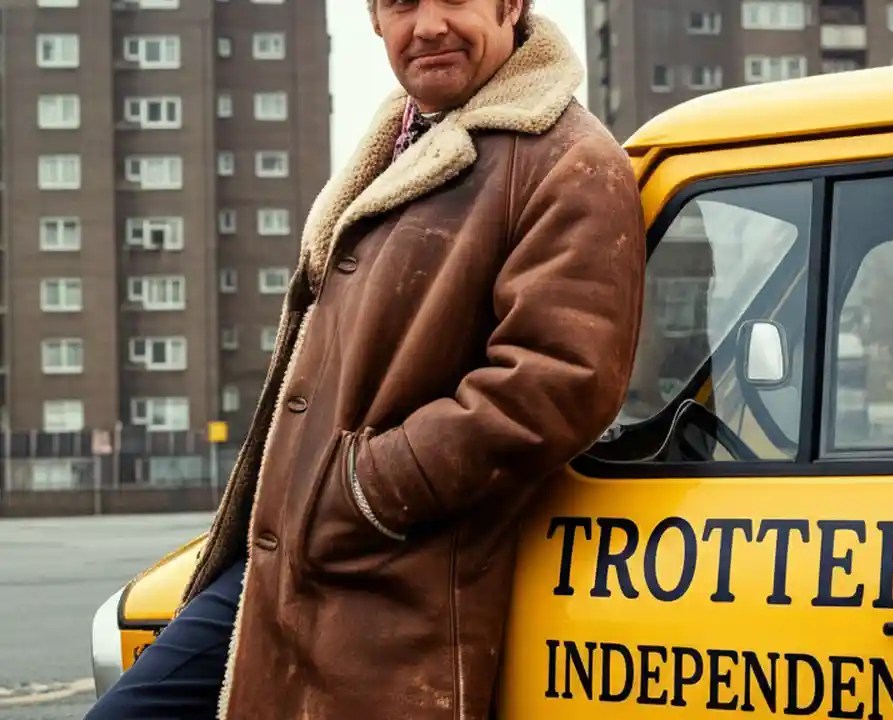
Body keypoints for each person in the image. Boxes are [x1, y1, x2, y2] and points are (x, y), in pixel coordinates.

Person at [85, 1, 646, 718]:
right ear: (376, 20)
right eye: (403, 3)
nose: (430, 24)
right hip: (281, 564)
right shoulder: (396, 142)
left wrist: (364, 489)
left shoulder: (569, 160)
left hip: (389, 580)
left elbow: (555, 381)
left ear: (512, 5)